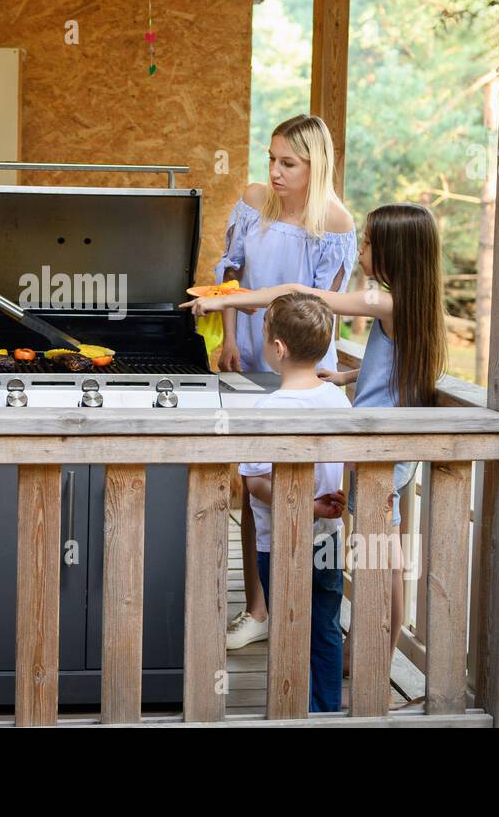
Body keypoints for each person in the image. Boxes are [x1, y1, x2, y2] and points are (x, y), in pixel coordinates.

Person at [185, 202, 448, 676]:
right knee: (377, 553)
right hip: (386, 449)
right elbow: (401, 371)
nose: (361, 250)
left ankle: (372, 659)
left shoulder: (387, 302)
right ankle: (366, 653)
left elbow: (299, 291)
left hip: (376, 455)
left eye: (368, 243)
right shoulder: (416, 305)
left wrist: (226, 301)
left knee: (379, 559)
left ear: (394, 253)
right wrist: (350, 375)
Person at [210, 114, 356, 651]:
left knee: (308, 487)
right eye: (270, 158)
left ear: (315, 166)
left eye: (287, 163)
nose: (273, 171)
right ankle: (257, 607)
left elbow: (316, 307)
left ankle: (312, 606)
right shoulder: (253, 201)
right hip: (250, 354)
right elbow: (230, 274)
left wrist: (302, 357)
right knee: (255, 488)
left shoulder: (336, 223)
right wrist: (229, 337)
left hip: (303, 368)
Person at [230, 292, 352, 712]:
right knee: (326, 628)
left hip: (279, 541)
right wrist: (324, 505)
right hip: (329, 540)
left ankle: (292, 711)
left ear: (277, 349)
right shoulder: (337, 398)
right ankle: (325, 710)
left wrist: (304, 507)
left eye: (265, 337)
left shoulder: (269, 408)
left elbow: (257, 484)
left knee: (289, 626)